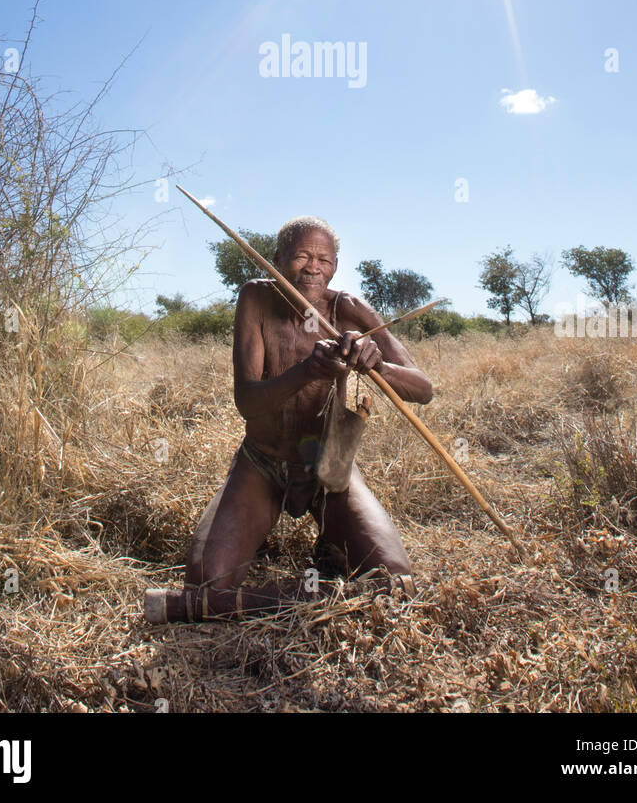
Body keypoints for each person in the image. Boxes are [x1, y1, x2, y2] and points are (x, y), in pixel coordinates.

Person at [145, 216, 433, 623]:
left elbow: (423, 388)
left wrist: (377, 364)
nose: (313, 268)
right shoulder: (256, 299)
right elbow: (247, 401)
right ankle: (328, 595)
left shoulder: (347, 309)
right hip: (263, 463)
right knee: (207, 584)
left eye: (324, 260)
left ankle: (325, 558)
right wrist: (307, 372)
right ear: (278, 259)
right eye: (301, 256)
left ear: (335, 265)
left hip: (329, 469)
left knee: (398, 583)